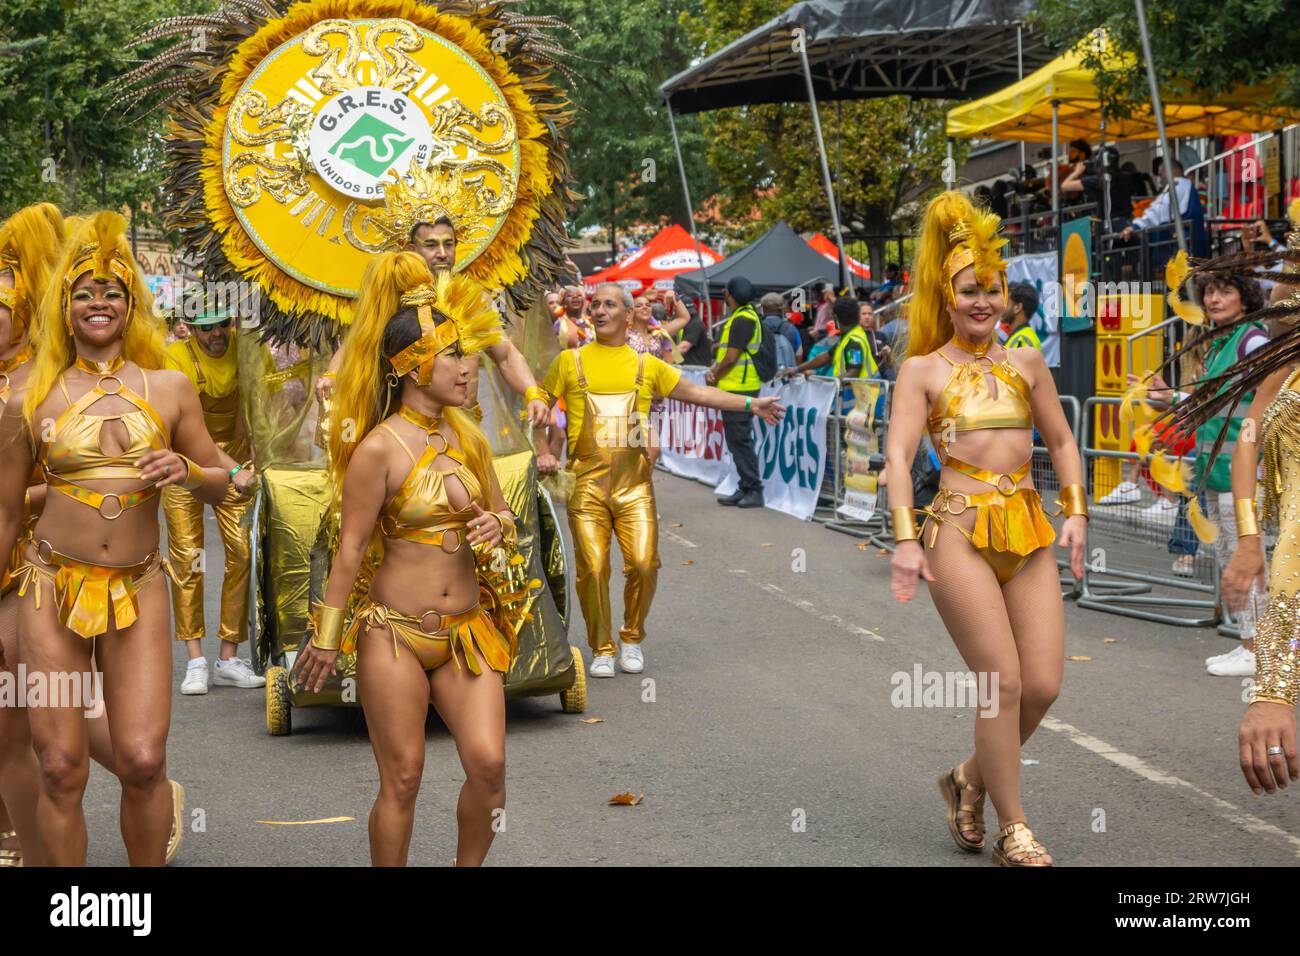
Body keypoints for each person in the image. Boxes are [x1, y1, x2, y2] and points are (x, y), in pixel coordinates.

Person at [0, 212, 235, 866]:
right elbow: (5, 514)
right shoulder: (29, 396)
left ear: (132, 306)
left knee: (140, 759)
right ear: (63, 309)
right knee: (61, 765)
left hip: (139, 589)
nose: (97, 302)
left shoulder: (170, 389)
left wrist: (188, 471)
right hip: (49, 595)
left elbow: (229, 485)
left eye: (111, 291)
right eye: (82, 292)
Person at [294, 252, 528, 866]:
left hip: (468, 635)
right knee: (402, 778)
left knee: (490, 766)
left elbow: (506, 518)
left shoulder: (470, 437)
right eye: (452, 354)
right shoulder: (378, 448)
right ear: (411, 366)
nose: (467, 365)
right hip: (394, 634)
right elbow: (348, 549)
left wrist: (493, 524)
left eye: (465, 352)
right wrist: (326, 637)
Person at [887, 191, 1086, 866]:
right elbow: (898, 457)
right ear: (945, 297)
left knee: (1043, 686)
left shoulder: (1027, 363)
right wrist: (905, 539)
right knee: (1001, 682)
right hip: (958, 532)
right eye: (969, 291)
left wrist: (1077, 513)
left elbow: (1060, 442)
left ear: (1006, 295)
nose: (982, 303)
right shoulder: (921, 370)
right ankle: (1014, 828)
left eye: (992, 291)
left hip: (1028, 528)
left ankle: (967, 776)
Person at [533, 282, 783, 678]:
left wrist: (752, 403)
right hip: (586, 489)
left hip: (635, 489)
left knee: (645, 565)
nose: (599, 310)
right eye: (595, 304)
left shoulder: (647, 366)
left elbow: (699, 395)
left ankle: (631, 637)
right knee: (594, 568)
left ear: (628, 315)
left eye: (609, 305)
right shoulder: (569, 362)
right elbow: (538, 406)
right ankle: (601, 647)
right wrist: (543, 448)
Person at [1141, 225, 1300, 795]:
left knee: (1256, 564)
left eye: (1224, 290)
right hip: (1233, 475)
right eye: (1207, 291)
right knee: (1242, 560)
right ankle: (1253, 648)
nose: (1212, 299)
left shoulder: (1256, 341)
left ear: (1247, 296)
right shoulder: (1238, 348)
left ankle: (1259, 652)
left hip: (1253, 479)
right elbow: (1231, 406)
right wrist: (1173, 400)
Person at [320, 215, 551, 428]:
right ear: (412, 249)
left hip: (464, 430)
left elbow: (507, 356)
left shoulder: (473, 299)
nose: (442, 252)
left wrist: (532, 393)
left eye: (448, 244)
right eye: (431, 245)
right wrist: (331, 376)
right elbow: (357, 344)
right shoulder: (393, 297)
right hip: (403, 430)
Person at [162, 308, 260, 695]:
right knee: (188, 558)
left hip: (238, 462)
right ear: (191, 328)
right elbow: (187, 431)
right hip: (185, 462)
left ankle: (228, 658)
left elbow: (263, 402)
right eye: (207, 327)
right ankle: (196, 661)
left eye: (223, 324)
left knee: (242, 553)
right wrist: (233, 470)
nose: (217, 333)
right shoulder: (177, 358)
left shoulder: (244, 348)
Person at [707, 277, 767, 508]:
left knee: (740, 440)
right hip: (736, 387)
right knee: (736, 441)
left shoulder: (743, 318)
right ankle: (745, 486)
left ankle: (753, 489)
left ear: (729, 294)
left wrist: (714, 374)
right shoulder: (743, 315)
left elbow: (731, 358)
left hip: (739, 387)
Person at [759, 292, 801, 370]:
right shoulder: (791, 328)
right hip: (786, 376)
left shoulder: (756, 327)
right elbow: (799, 354)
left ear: (764, 308)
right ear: (780, 308)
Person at [1003, 282, 1043, 352]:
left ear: (1018, 307)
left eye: (1006, 303)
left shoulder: (1022, 339)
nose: (1002, 307)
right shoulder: (1022, 336)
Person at [555, 285, 595, 349]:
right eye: (569, 296)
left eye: (579, 295)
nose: (575, 297)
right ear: (563, 302)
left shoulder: (590, 322)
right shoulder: (559, 324)